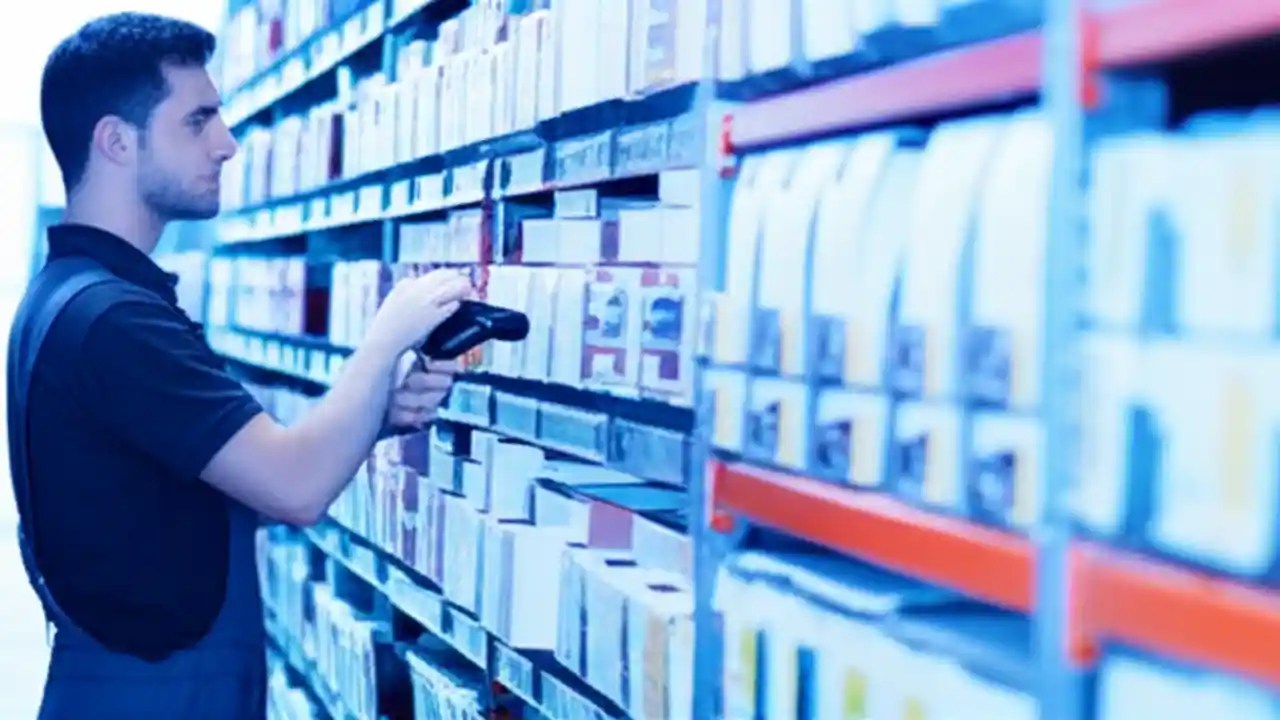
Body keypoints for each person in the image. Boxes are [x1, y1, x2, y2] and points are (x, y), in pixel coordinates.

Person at [9, 12, 472, 719]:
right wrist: (386, 336)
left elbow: (207, 497)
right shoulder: (113, 320)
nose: (226, 144)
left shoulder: (72, 295)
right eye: (198, 121)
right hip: (149, 698)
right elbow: (293, 489)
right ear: (116, 141)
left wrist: (372, 415)